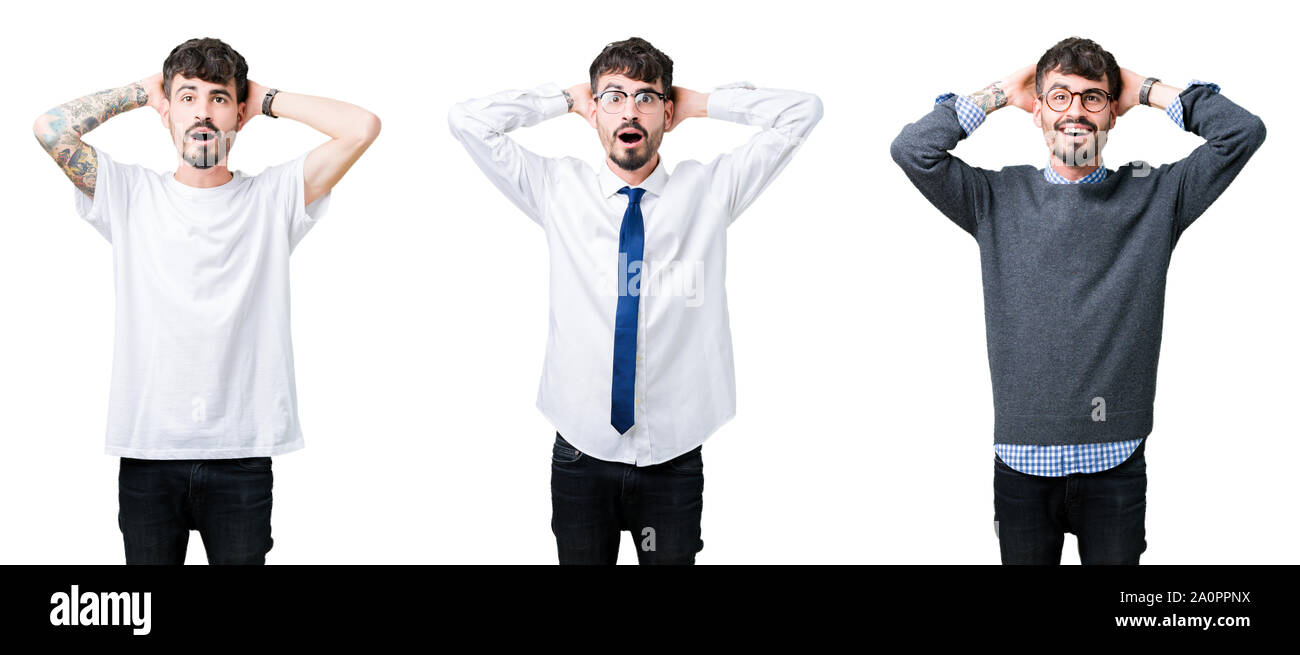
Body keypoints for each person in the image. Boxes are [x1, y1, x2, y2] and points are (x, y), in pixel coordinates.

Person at [890, 37, 1265, 564]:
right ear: (1037, 110)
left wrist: (1148, 90)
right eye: (1059, 96)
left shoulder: (1154, 195)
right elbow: (914, 151)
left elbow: (1241, 133)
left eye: (1093, 98)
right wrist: (1001, 92)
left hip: (1116, 463)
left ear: (1114, 111)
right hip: (1021, 466)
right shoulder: (994, 199)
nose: (1076, 112)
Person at [449, 37, 822, 564]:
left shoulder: (711, 191)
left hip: (672, 458)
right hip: (581, 454)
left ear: (667, 114)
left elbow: (803, 113)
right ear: (595, 113)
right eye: (614, 97)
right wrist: (561, 99)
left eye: (647, 98)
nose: (631, 110)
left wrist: (701, 102)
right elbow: (467, 121)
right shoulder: (556, 188)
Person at [32, 37, 381, 564]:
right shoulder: (128, 195)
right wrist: (139, 92)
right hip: (149, 451)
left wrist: (262, 99)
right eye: (188, 97)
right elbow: (50, 129)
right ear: (166, 110)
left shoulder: (275, 197)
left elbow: (363, 127)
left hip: (240, 455)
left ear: (238, 114)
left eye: (218, 98)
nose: (203, 111)